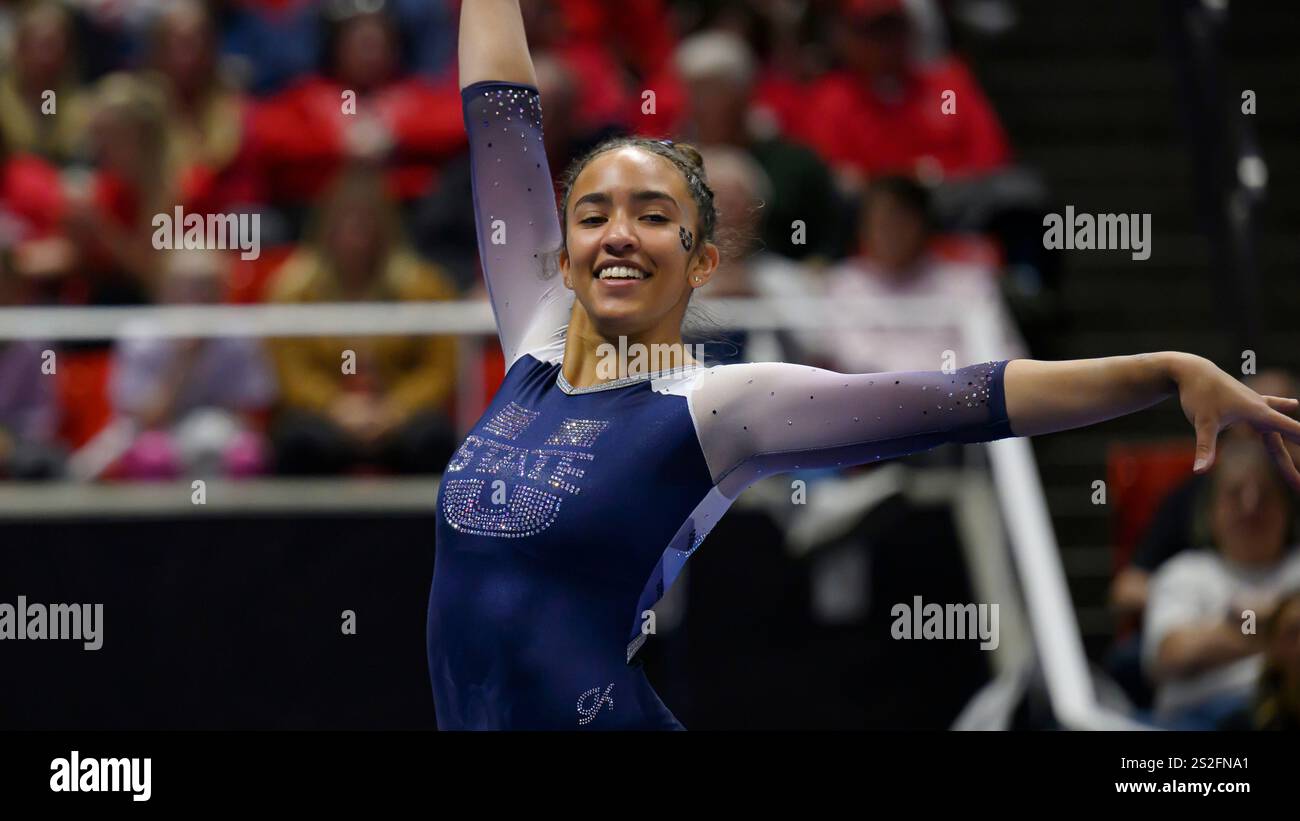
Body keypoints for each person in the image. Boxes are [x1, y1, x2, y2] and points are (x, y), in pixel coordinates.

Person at [427, 0, 1300, 730]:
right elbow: (501, 110)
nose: (619, 232)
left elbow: (965, 396)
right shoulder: (534, 341)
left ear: (699, 260)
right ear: (564, 252)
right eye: (594, 214)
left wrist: (1163, 367)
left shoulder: (718, 406)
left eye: (653, 215)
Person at [1141, 438, 1300, 729]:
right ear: (1212, 511)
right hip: (1197, 719)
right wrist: (1281, 624)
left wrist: (1235, 630)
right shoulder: (1184, 573)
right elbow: (1170, 656)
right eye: (1235, 494)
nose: (1250, 507)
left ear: (1287, 508)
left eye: (1264, 494)